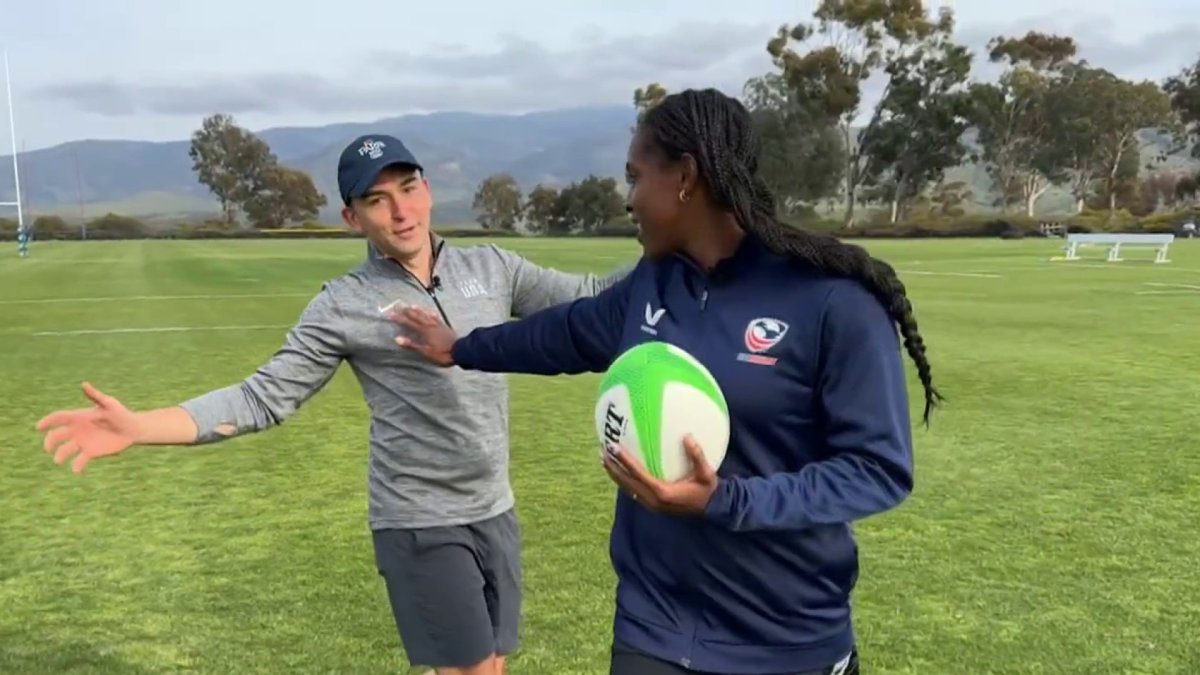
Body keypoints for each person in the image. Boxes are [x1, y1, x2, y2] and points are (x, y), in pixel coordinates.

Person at [35, 133, 632, 675]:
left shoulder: (492, 266)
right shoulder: (342, 304)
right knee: (471, 670)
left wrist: (687, 239)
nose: (400, 210)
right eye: (376, 200)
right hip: (419, 519)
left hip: (494, 507)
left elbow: (593, 299)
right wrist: (139, 426)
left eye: (408, 188)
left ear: (426, 188)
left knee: (492, 665)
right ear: (352, 217)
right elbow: (261, 396)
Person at [391, 89, 942, 675]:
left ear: (685, 176)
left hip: (784, 636)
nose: (629, 200)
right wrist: (462, 348)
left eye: (635, 177)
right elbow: (568, 334)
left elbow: (876, 470)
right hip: (653, 628)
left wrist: (725, 501)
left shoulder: (833, 301)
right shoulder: (655, 283)